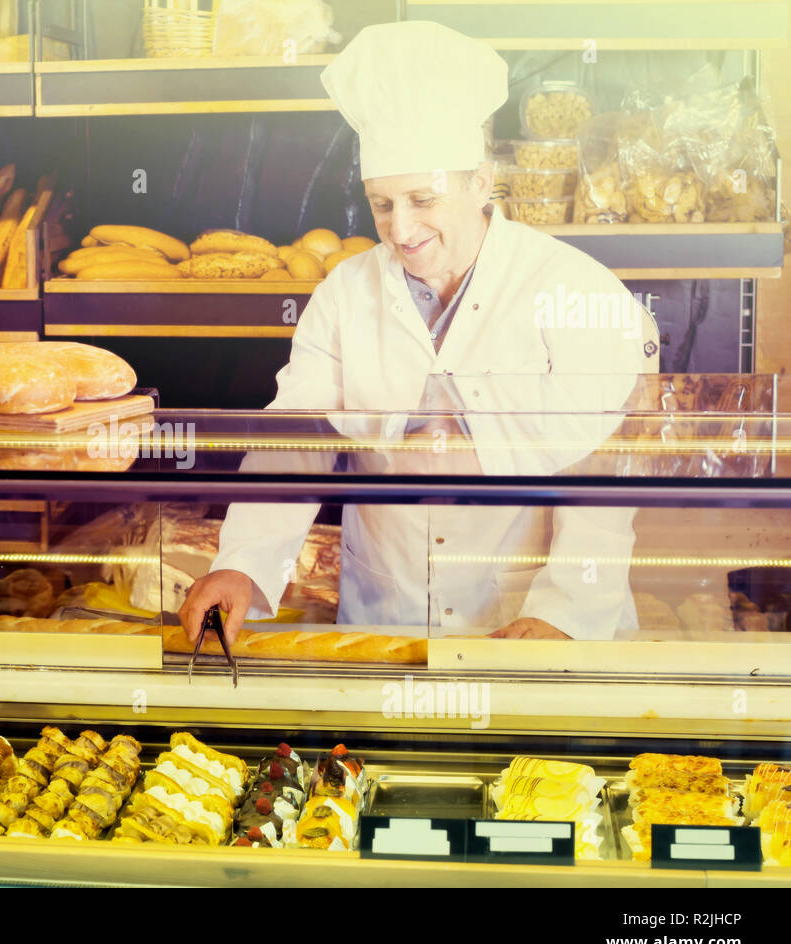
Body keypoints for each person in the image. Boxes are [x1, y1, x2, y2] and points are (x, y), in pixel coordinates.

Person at [179, 21, 659, 647]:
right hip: (386, 614)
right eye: (382, 204)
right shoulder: (345, 295)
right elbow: (298, 437)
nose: (400, 230)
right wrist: (241, 562)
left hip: (530, 619)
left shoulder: (575, 290)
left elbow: (606, 472)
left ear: (480, 184)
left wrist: (565, 611)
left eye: (422, 199)